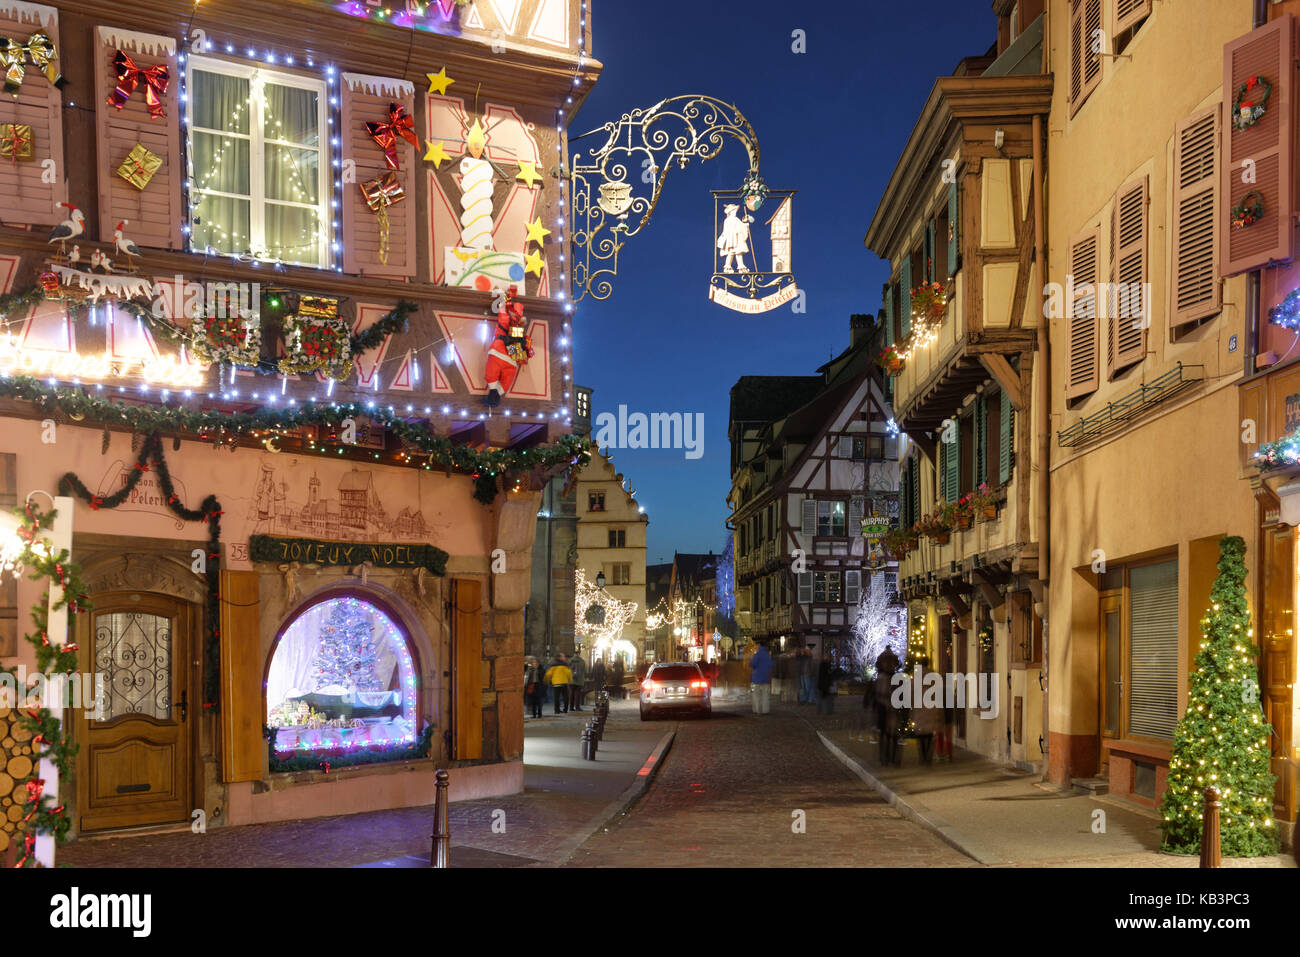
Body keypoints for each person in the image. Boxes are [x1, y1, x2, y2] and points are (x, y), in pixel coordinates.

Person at [749, 641, 773, 714]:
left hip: (757, 678)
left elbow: (753, 664)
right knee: (765, 695)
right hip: (766, 678)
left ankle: (757, 709)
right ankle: (765, 710)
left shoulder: (757, 655)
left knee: (756, 695)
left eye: (756, 645)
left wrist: (750, 660)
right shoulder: (768, 655)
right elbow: (771, 665)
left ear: (759, 645)